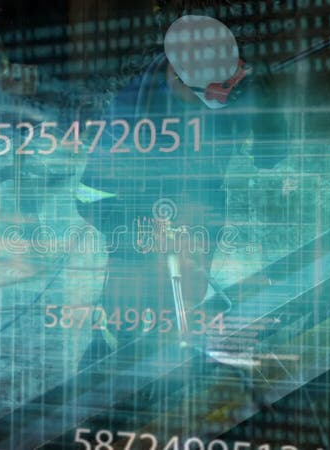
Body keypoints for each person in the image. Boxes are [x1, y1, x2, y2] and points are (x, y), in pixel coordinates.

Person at [75, 15, 287, 368]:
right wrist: (135, 228)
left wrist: (266, 109)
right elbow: (90, 196)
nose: (221, 96)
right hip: (132, 213)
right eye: (211, 91)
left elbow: (271, 158)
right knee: (128, 297)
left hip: (199, 209)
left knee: (185, 298)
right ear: (179, 75)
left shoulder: (233, 93)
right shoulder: (134, 109)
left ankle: (175, 360)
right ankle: (105, 355)